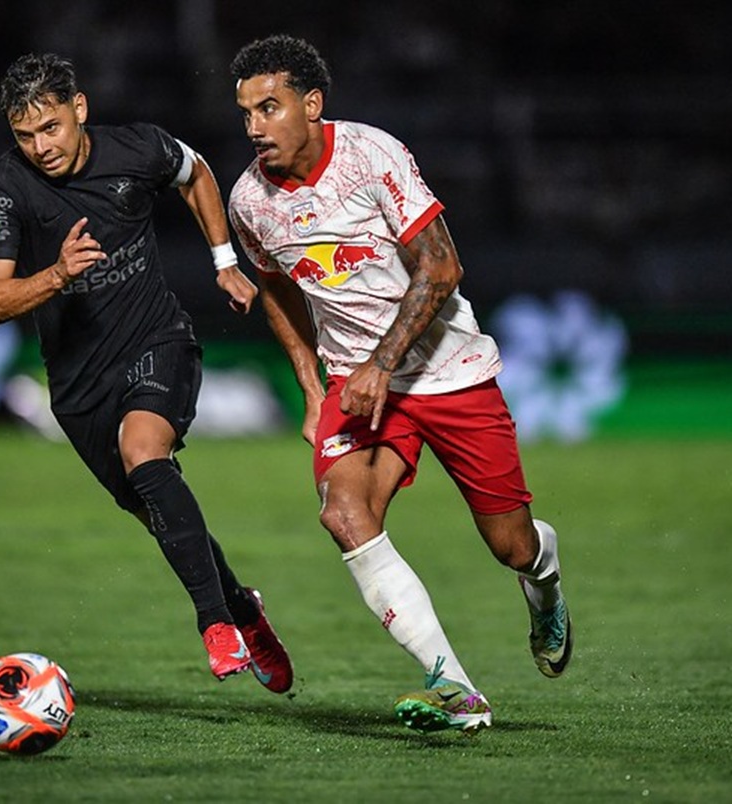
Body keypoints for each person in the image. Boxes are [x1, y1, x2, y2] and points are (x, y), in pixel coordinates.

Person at [227, 34, 571, 731]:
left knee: (511, 545)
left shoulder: (371, 156)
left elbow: (441, 268)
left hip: (449, 372)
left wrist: (382, 366)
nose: (255, 127)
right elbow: (277, 289)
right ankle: (457, 691)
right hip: (356, 384)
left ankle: (545, 579)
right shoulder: (250, 202)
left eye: (270, 108)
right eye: (246, 113)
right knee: (344, 515)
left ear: (312, 104)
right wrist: (311, 384)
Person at [0, 52, 292, 694]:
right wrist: (59, 274)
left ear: (79, 108)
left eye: (52, 127)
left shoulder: (137, 148)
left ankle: (213, 624)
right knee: (161, 513)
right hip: (78, 385)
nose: (42, 147)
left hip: (158, 340)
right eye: (26, 136)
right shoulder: (5, 188)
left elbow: (196, 170)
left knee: (145, 453)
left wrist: (225, 259)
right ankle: (243, 610)